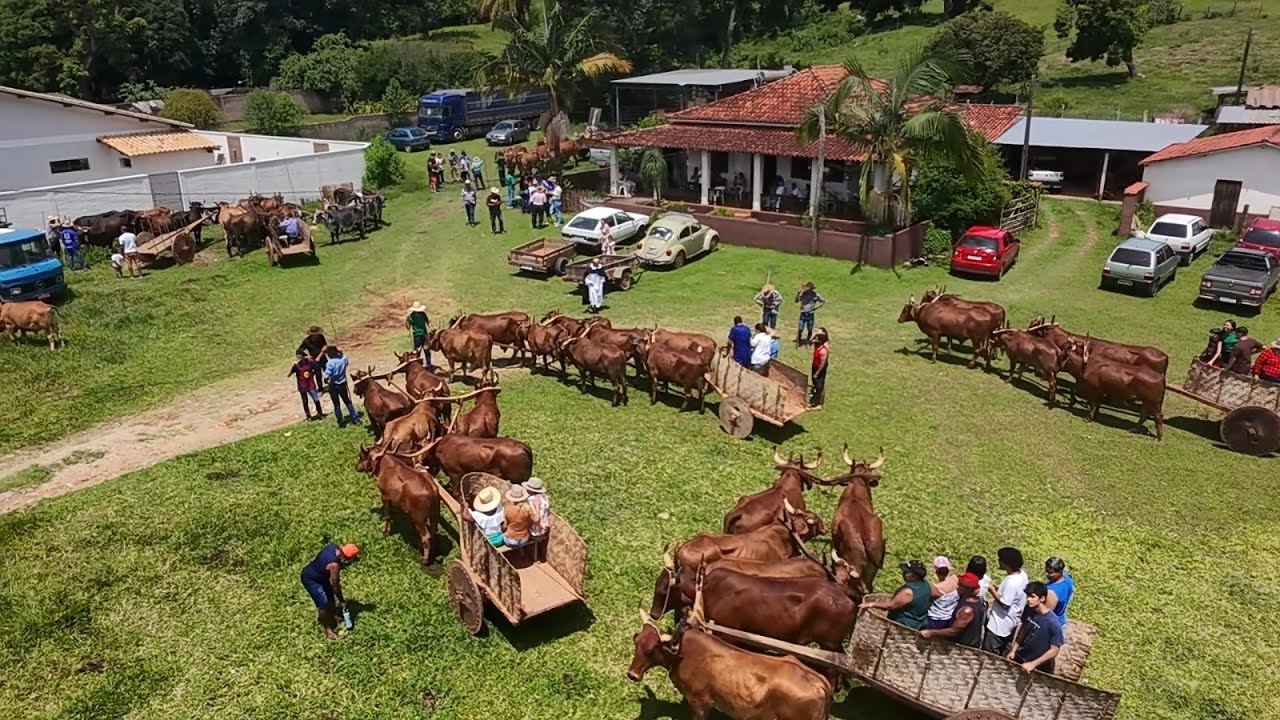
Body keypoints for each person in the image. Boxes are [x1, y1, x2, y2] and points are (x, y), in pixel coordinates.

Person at [300, 542, 360, 640]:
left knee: (330, 598)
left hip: (321, 576)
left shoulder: (333, 547)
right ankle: (327, 628)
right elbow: (335, 585)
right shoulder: (334, 565)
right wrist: (342, 601)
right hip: (311, 580)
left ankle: (332, 615)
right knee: (324, 604)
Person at [1008, 582, 1064, 675]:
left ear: (1042, 598)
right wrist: (1013, 651)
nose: (1029, 599)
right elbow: (1023, 629)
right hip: (1022, 658)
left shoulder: (1053, 623)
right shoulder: (1029, 609)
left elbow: (1054, 650)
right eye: (1028, 596)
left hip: (1040, 667)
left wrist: (1033, 664)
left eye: (1032, 596)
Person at [983, 546, 1029, 657]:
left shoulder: (1011, 582)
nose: (998, 561)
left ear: (1006, 563)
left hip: (999, 625)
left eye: (1000, 559)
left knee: (989, 654)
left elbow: (1005, 604)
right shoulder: (1022, 575)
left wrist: (991, 589)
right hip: (1012, 622)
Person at [861, 559, 932, 630]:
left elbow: (890, 606)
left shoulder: (908, 592)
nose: (904, 573)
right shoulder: (926, 584)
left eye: (906, 572)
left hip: (904, 624)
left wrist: (872, 604)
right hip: (919, 621)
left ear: (914, 576)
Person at [920, 572, 986, 647]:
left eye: (961, 585)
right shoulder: (976, 601)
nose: (958, 586)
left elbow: (953, 631)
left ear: (968, 589)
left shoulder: (967, 610)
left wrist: (931, 632)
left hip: (964, 647)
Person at [324, 346, 362, 428]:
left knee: (336, 404)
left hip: (333, 385)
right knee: (347, 401)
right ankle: (355, 419)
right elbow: (344, 355)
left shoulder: (330, 363)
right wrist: (340, 351)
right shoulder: (343, 359)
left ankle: (341, 422)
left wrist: (326, 381)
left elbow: (326, 376)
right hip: (343, 383)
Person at [924, 556, 959, 630]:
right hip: (950, 618)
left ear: (936, 571)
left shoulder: (935, 588)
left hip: (935, 619)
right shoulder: (955, 580)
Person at [289, 350, 325, 421]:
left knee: (316, 399)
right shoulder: (296, 366)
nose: (298, 358)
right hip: (302, 386)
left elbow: (316, 368)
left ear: (303, 356)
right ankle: (308, 416)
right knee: (305, 401)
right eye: (297, 357)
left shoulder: (310, 363)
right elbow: (289, 374)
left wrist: (312, 374)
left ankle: (320, 413)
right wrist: (292, 367)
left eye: (300, 357)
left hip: (310, 384)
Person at [1044, 556, 1075, 629]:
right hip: (1061, 621)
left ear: (1060, 572)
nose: (1047, 574)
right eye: (1046, 571)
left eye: (1050, 572)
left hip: (1051, 627)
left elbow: (1045, 615)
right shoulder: (1067, 579)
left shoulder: (1051, 592)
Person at [501, 484, 537, 549]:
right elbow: (534, 520)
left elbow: (505, 526)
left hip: (510, 541)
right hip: (524, 539)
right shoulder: (527, 508)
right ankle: (521, 551)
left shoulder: (507, 509)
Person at [810, 328, 830, 409]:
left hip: (819, 369)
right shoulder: (817, 345)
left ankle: (819, 404)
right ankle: (816, 398)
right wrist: (816, 335)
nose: (815, 338)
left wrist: (817, 373)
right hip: (815, 366)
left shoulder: (824, 350)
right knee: (816, 383)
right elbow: (811, 341)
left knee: (820, 385)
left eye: (817, 337)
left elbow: (823, 363)